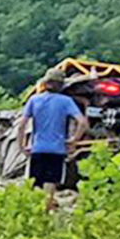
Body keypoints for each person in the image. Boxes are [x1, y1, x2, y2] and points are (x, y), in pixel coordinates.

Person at [16, 75, 89, 209]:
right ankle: (47, 211)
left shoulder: (34, 100)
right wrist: (74, 140)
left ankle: (36, 210)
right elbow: (82, 122)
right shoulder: (66, 101)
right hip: (57, 150)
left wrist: (21, 146)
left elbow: (21, 125)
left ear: (45, 83)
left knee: (36, 182)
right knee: (50, 182)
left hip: (37, 149)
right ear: (61, 85)